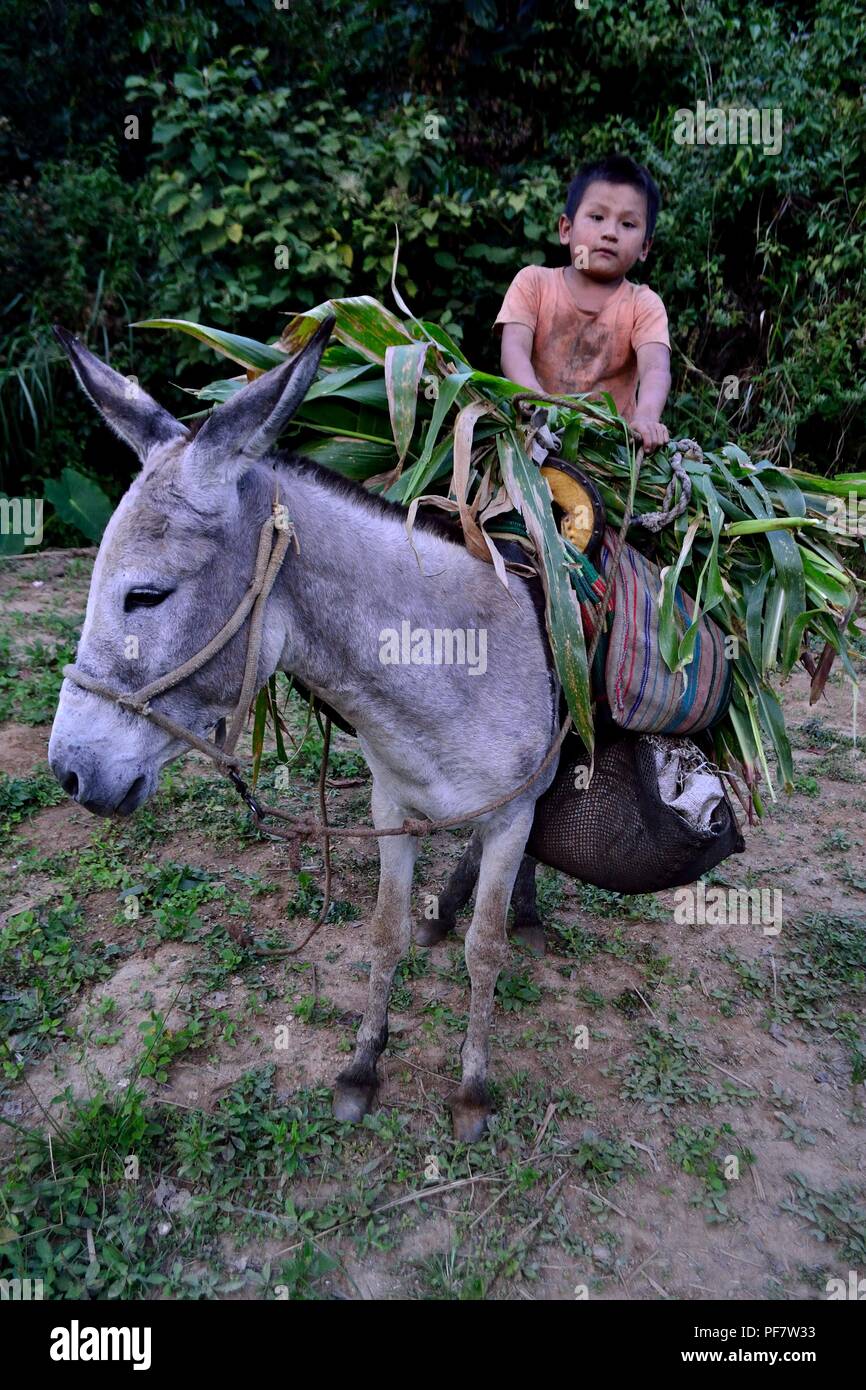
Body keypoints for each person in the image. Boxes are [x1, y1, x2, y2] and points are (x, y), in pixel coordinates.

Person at [495, 153, 671, 453]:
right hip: (533, 434)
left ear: (645, 246)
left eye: (628, 224)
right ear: (566, 229)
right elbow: (513, 349)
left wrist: (646, 418)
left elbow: (656, 368)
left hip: (608, 450)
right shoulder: (533, 283)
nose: (610, 233)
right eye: (597, 217)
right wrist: (536, 399)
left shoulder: (644, 304)